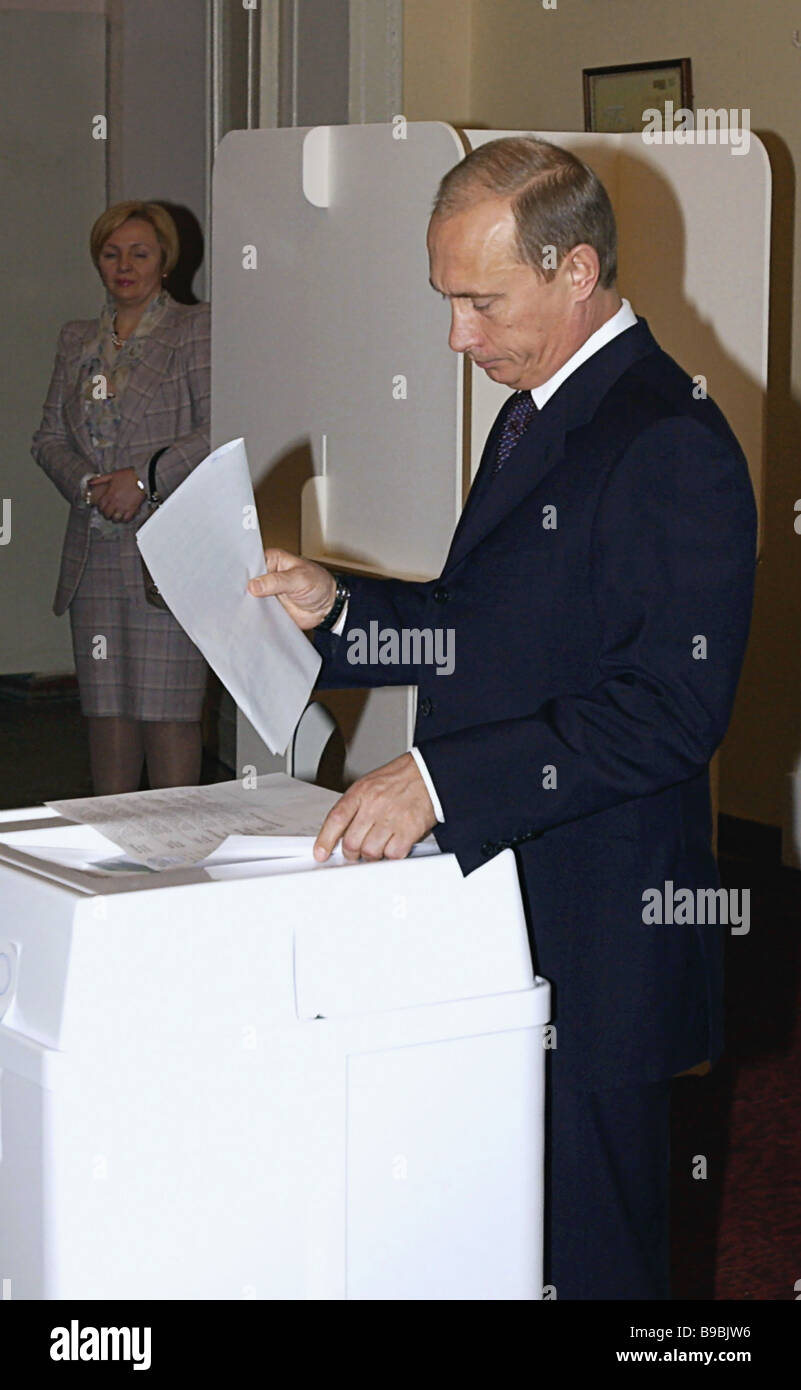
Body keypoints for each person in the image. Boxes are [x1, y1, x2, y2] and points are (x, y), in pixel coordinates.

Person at [248, 137, 757, 1299]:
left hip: (599, 933)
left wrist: (439, 783)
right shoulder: (540, 410)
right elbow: (478, 629)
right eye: (447, 301)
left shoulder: (667, 436)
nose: (456, 338)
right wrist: (338, 606)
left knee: (596, 1260)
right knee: (506, 1235)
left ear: (577, 271)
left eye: (481, 302)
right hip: (507, 906)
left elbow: (672, 711)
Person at [32, 201, 211, 794]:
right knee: (108, 718)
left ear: (165, 261)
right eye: (112, 254)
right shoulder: (77, 340)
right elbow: (49, 438)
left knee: (169, 716)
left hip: (167, 550)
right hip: (96, 552)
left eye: (140, 253)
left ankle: (176, 870)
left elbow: (220, 429)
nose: (124, 265)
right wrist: (88, 485)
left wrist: (145, 478)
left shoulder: (196, 328)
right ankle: (116, 865)